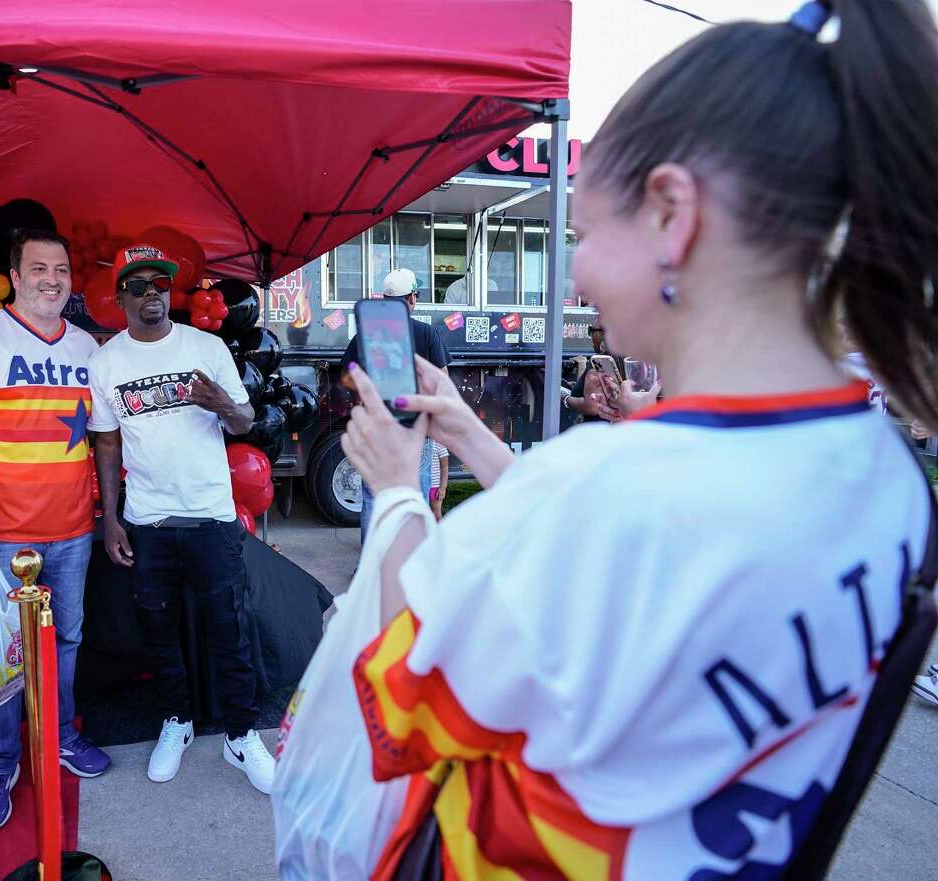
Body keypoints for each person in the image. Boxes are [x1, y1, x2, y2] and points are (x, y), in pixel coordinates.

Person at [330, 2, 938, 877]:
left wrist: (394, 492)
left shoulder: (605, 489)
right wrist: (474, 442)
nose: (573, 272)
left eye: (579, 234)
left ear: (669, 214)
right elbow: (623, 572)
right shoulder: (888, 474)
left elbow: (409, 714)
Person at [0, 229, 111, 833]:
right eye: (38, 268)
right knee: (4, 655)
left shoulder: (88, 346)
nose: (52, 278)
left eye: (60, 268)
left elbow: (103, 435)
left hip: (72, 531)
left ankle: (61, 736)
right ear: (14, 276)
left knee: (65, 639)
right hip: (2, 534)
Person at [88, 242, 275, 794]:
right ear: (121, 295)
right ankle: (178, 720)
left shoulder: (207, 346)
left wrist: (221, 401)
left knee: (229, 629)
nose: (154, 295)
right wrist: (111, 517)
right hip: (148, 519)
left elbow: (243, 422)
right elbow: (106, 442)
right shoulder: (107, 362)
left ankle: (242, 736)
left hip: (212, 517)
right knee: (158, 627)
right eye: (141, 286)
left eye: (162, 285)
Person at [341, 268, 449, 541]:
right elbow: (442, 384)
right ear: (412, 298)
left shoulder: (367, 333)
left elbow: (345, 378)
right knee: (416, 496)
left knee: (373, 498)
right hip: (415, 430)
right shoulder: (427, 334)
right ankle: (413, 566)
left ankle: (371, 566)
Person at [428, 442, 449, 521]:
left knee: (436, 514)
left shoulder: (438, 444)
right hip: (419, 486)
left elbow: (445, 468)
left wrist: (443, 488)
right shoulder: (416, 442)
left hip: (434, 486)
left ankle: (441, 532)